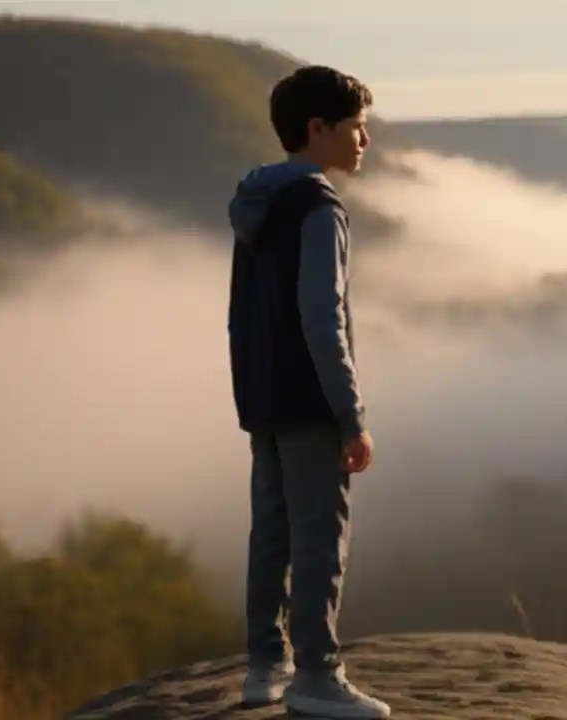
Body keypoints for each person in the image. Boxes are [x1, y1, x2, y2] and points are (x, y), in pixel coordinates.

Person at [227, 65, 387, 719]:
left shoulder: (257, 206)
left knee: (271, 531)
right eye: (356, 128)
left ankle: (266, 663)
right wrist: (352, 416)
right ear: (318, 129)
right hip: (311, 399)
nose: (364, 142)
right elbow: (323, 319)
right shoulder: (320, 209)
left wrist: (252, 389)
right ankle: (317, 677)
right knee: (320, 534)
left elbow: (242, 312)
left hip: (262, 394)